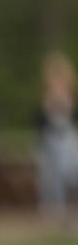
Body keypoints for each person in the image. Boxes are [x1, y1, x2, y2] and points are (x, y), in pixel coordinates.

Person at [33, 51, 78, 219]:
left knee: (72, 171)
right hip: (50, 141)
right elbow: (41, 124)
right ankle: (53, 209)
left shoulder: (70, 99)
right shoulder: (45, 99)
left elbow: (70, 121)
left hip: (67, 141)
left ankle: (70, 207)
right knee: (51, 175)